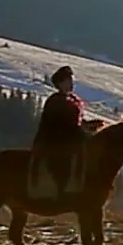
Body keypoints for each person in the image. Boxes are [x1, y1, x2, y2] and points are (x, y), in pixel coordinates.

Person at [32, 65, 86, 195]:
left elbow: (76, 122)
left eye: (72, 81)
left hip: (69, 139)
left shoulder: (72, 100)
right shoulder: (56, 101)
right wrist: (81, 133)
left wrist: (88, 125)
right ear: (60, 84)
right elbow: (62, 126)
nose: (71, 84)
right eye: (68, 81)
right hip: (54, 143)